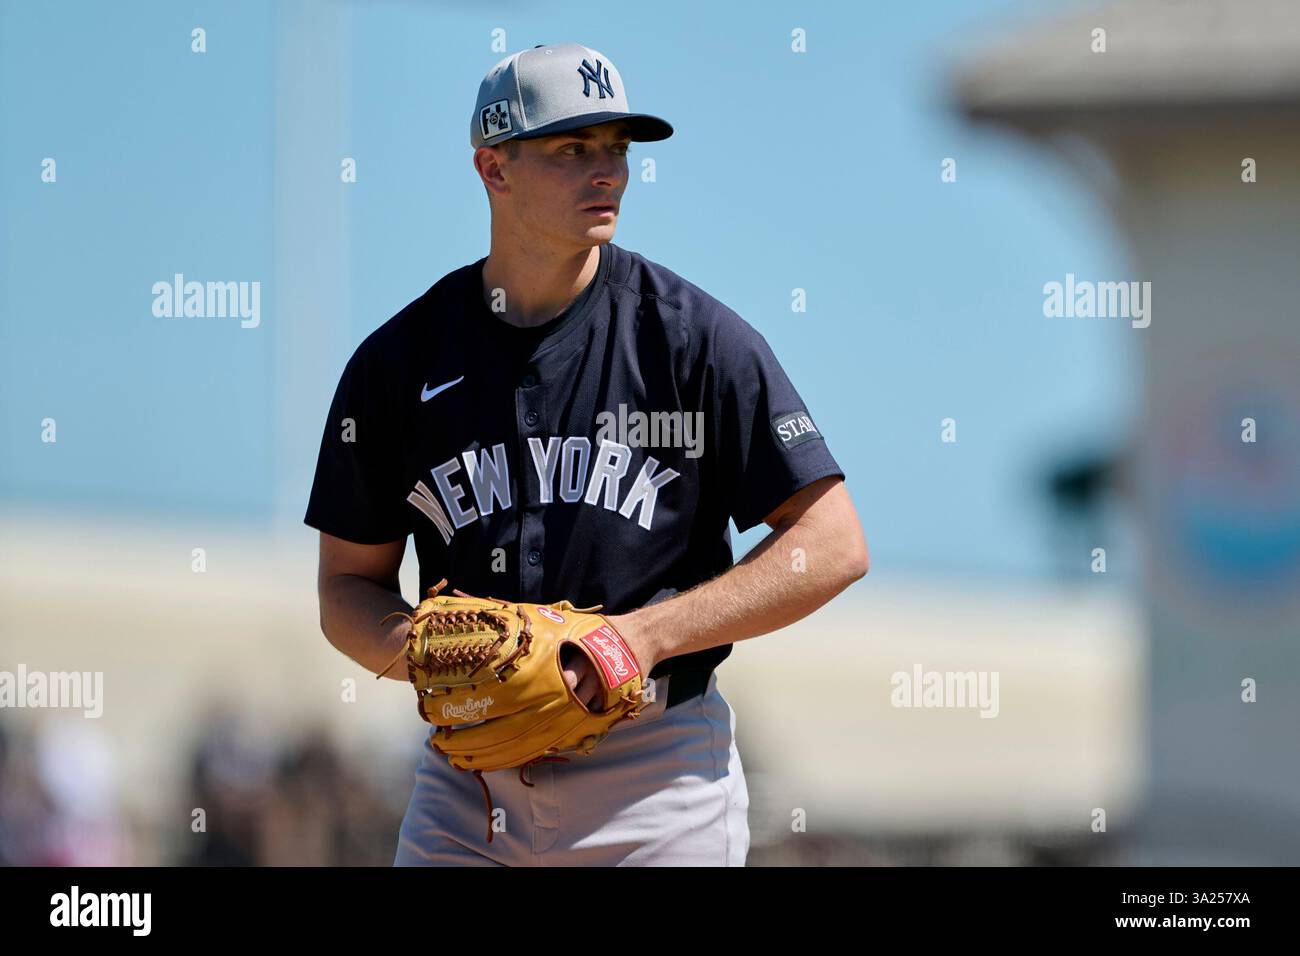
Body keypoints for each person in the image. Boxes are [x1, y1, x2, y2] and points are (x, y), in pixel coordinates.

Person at [305, 41, 868, 866]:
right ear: (493, 169)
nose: (607, 172)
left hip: (656, 774)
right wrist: (421, 654)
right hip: (471, 781)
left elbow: (833, 544)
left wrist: (640, 638)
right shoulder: (399, 364)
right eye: (574, 150)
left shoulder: (690, 341)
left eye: (616, 149)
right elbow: (346, 585)